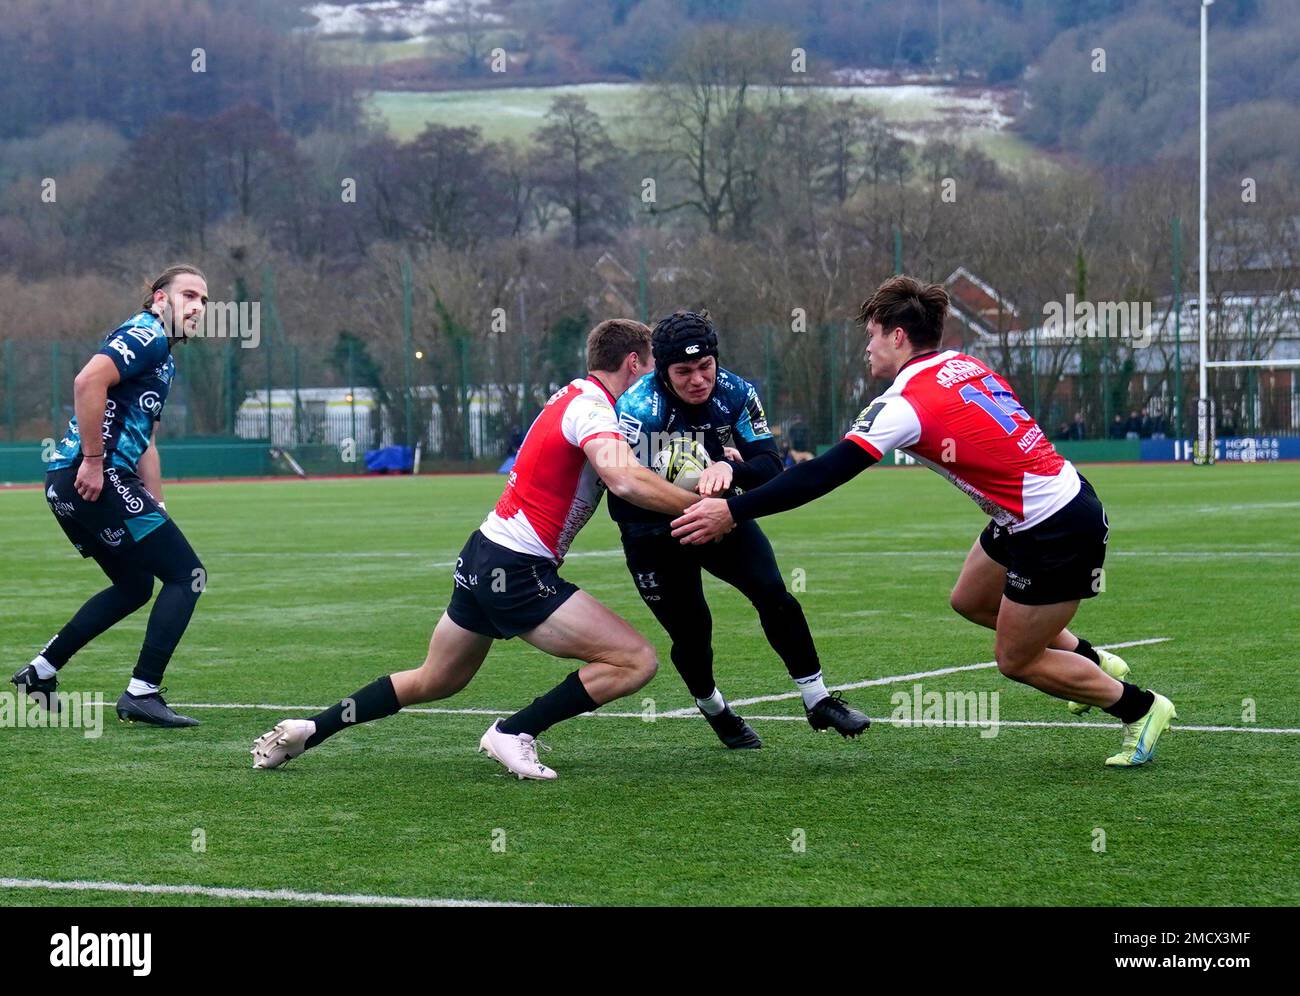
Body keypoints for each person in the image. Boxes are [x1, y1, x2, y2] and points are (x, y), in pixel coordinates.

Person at [672, 276, 1177, 768]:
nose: (866, 347)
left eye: (870, 335)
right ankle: (1093, 661)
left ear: (897, 336)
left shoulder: (905, 403)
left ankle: (1140, 707)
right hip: (1038, 508)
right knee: (971, 600)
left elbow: (823, 474)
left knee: (1016, 660)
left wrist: (732, 509)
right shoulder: (960, 362)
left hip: (1055, 526)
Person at [251, 320, 703, 780]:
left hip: (484, 553)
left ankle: (310, 729)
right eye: (650, 368)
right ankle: (513, 732)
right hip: (518, 567)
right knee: (634, 660)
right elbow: (623, 478)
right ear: (633, 363)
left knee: (437, 679)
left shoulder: (573, 395)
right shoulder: (593, 410)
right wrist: (703, 508)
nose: (653, 379)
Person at [607, 311, 869, 749]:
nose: (698, 379)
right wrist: (681, 492)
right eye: (684, 371)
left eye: (705, 366)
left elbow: (770, 465)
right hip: (653, 532)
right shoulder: (638, 410)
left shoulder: (736, 392)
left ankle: (818, 698)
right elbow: (621, 491)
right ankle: (715, 709)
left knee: (774, 594)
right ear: (664, 373)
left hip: (720, 514)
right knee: (693, 633)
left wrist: (730, 467)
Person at [12, 265, 209, 727]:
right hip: (94, 477)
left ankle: (39, 673)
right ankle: (143, 691)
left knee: (135, 586)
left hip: (75, 481)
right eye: (189, 295)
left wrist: (156, 502)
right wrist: (96, 461)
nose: (199, 306)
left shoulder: (164, 356)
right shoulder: (147, 334)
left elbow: (148, 441)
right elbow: (87, 381)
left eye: (204, 300)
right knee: (188, 575)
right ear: (160, 299)